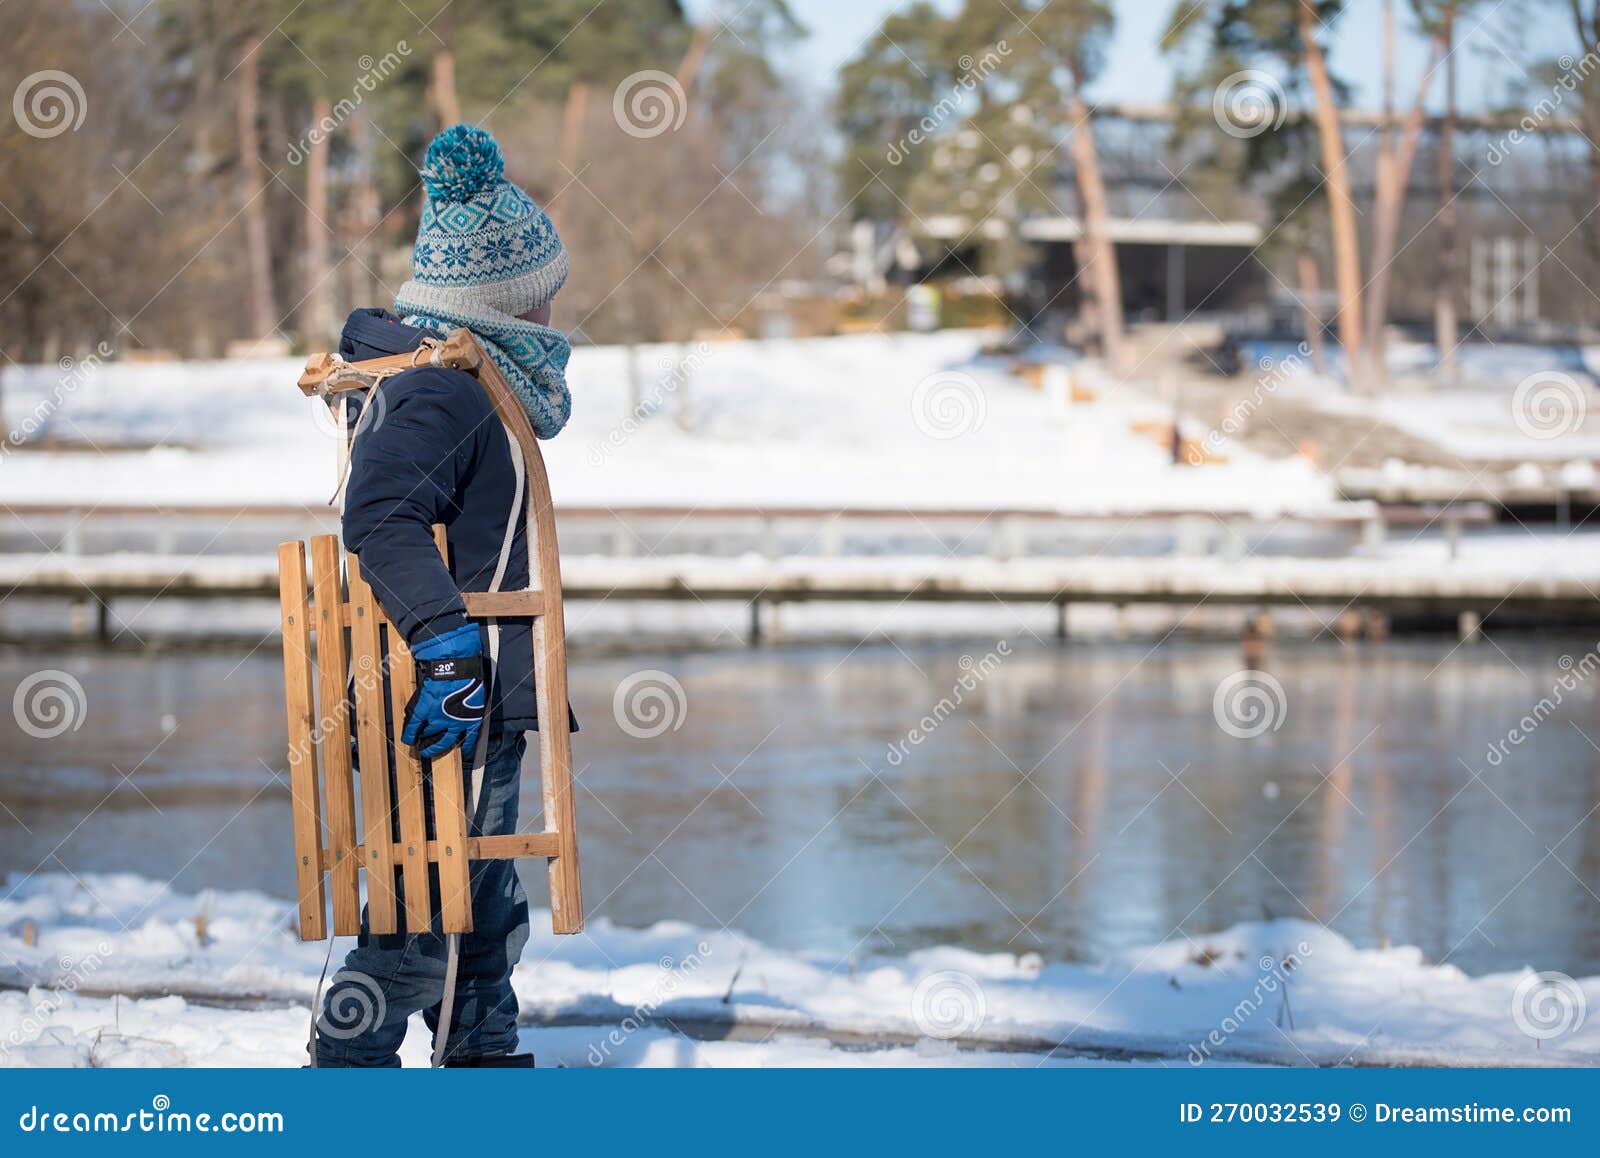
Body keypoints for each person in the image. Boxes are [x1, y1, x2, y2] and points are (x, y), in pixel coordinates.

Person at [313, 125, 574, 1068]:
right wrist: (449, 651)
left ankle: (481, 1062)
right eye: (544, 288)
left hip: (472, 691)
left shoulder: (468, 382)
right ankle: (346, 1076)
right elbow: (380, 518)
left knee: (481, 897)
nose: (556, 303)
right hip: (446, 692)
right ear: (501, 295)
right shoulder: (448, 392)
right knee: (426, 904)